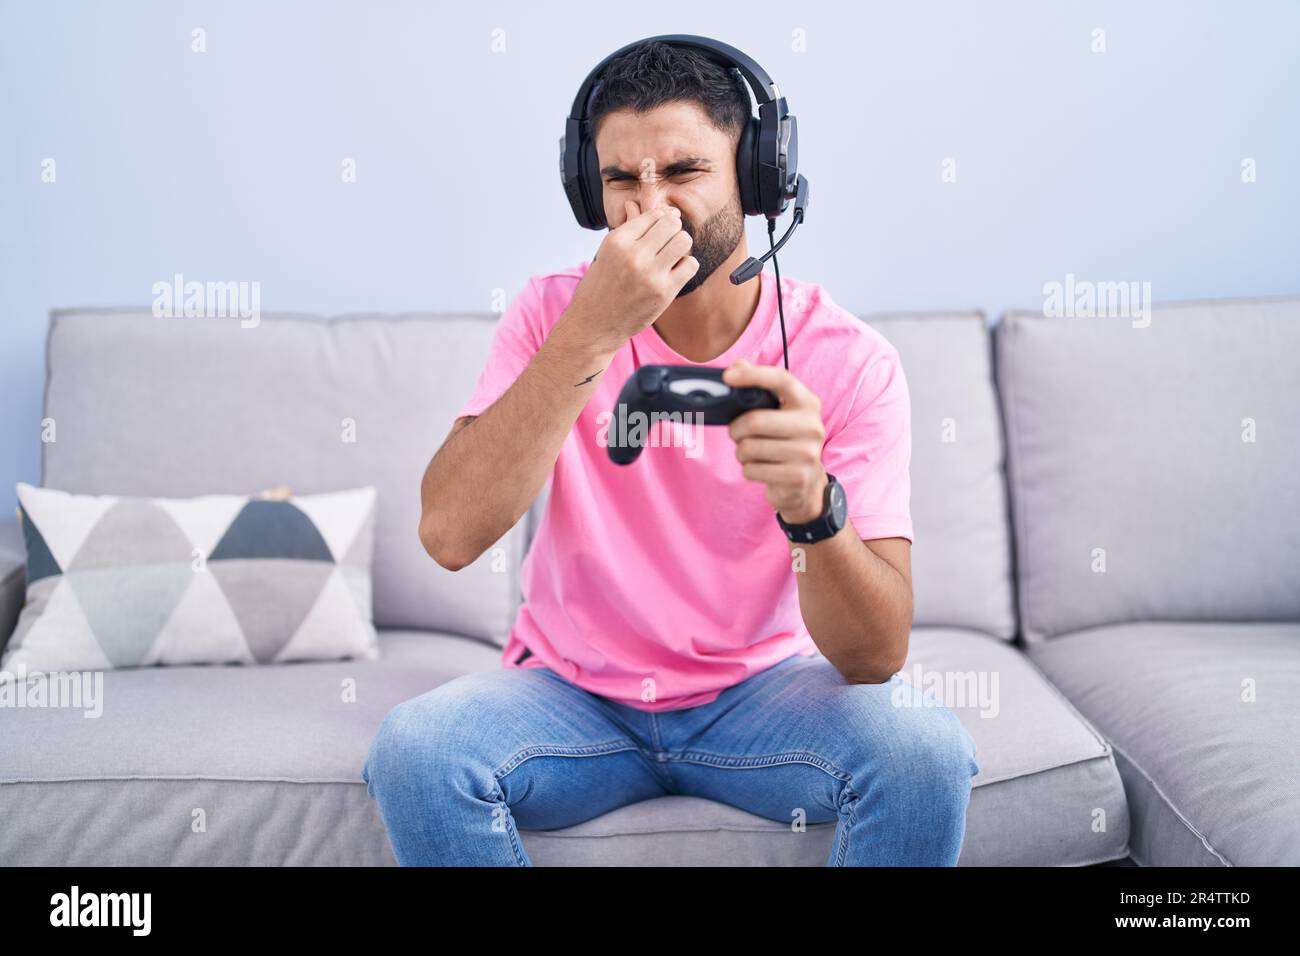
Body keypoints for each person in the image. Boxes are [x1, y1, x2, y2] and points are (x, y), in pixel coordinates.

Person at [362, 37, 978, 866]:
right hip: (573, 695)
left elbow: (875, 655)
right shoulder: (552, 316)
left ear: (756, 179)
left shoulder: (849, 359)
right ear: (590, 190)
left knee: (922, 751)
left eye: (683, 172)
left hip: (765, 695)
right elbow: (449, 535)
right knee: (415, 750)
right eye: (621, 180)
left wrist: (811, 509)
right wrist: (593, 326)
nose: (648, 209)